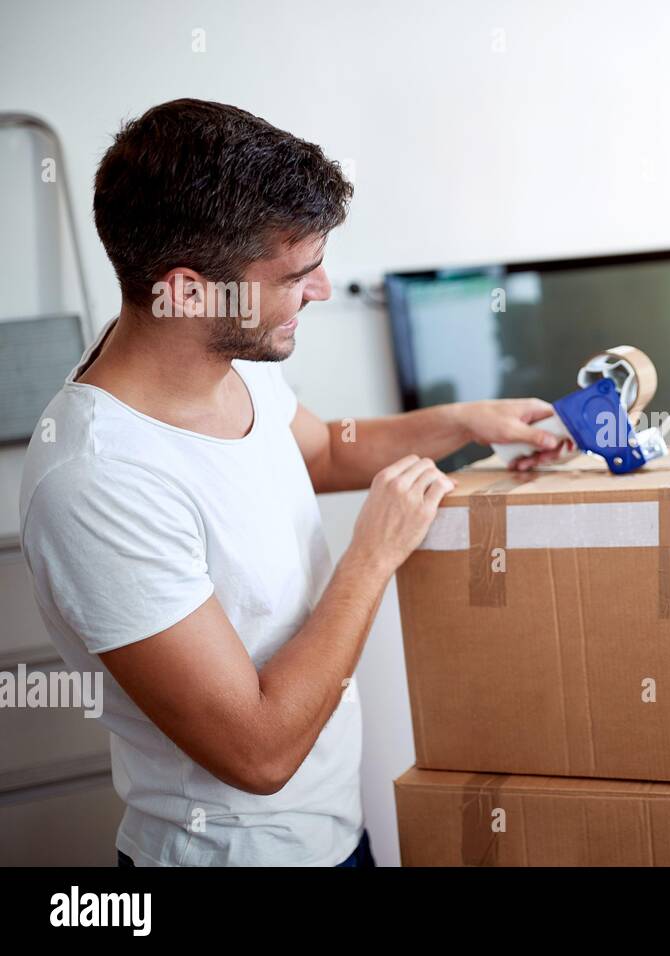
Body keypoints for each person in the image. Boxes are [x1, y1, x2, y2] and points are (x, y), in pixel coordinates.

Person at [19, 99, 566, 866]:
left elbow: (318, 452)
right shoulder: (99, 482)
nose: (322, 290)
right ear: (187, 289)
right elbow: (260, 752)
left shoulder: (223, 359)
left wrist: (464, 422)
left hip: (334, 832)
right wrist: (372, 555)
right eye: (297, 275)